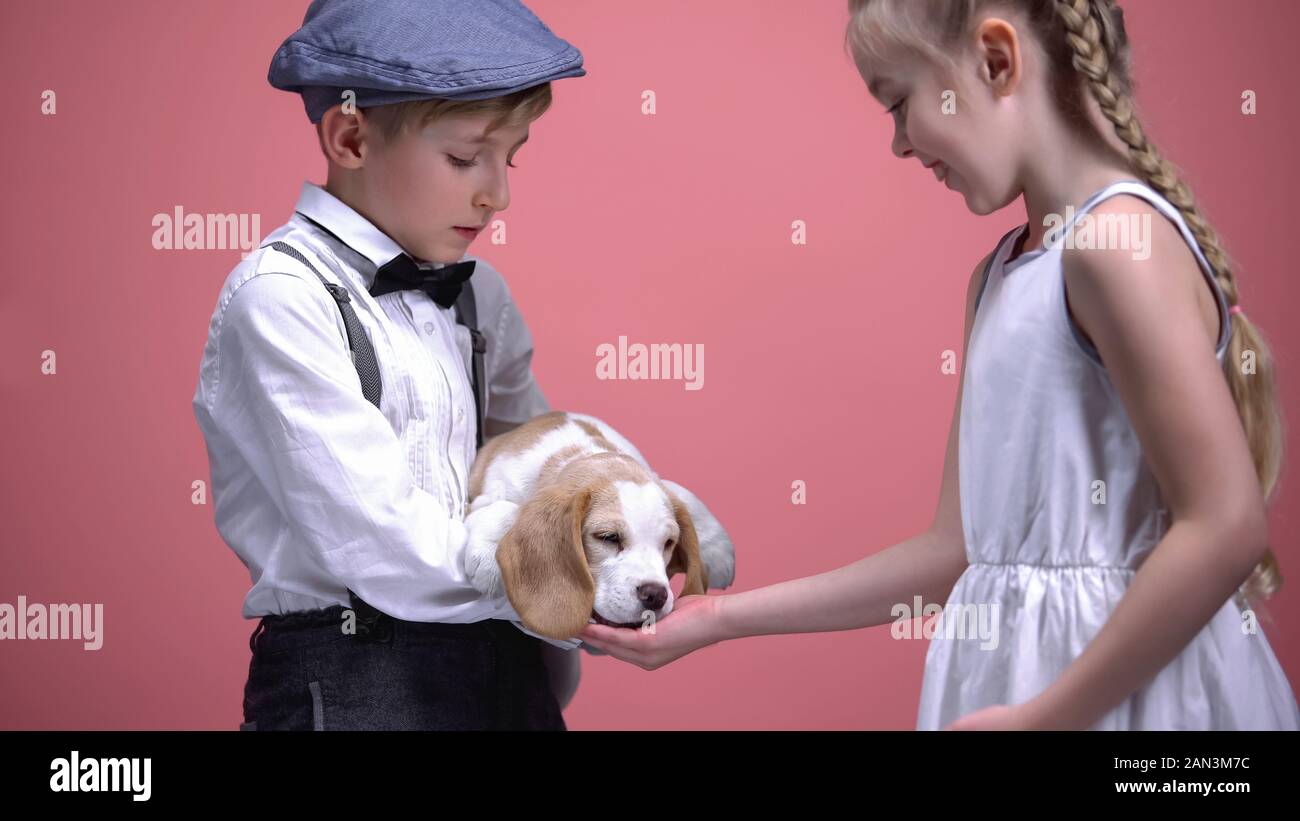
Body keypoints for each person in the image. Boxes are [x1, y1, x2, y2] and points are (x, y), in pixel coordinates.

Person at [580, 0, 1300, 731]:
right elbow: (955, 552)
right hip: (1021, 688)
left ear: (995, 61)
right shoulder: (1000, 277)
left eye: (899, 101)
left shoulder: (1117, 246)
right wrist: (718, 617)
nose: (897, 143)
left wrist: (1045, 717)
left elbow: (1225, 524)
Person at [192, 0, 586, 730]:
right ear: (349, 136)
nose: (497, 194)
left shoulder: (479, 295)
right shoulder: (283, 299)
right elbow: (380, 539)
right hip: (361, 676)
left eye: (513, 155)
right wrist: (563, 586)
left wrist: (617, 537)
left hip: (509, 661)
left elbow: (542, 465)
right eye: (466, 158)